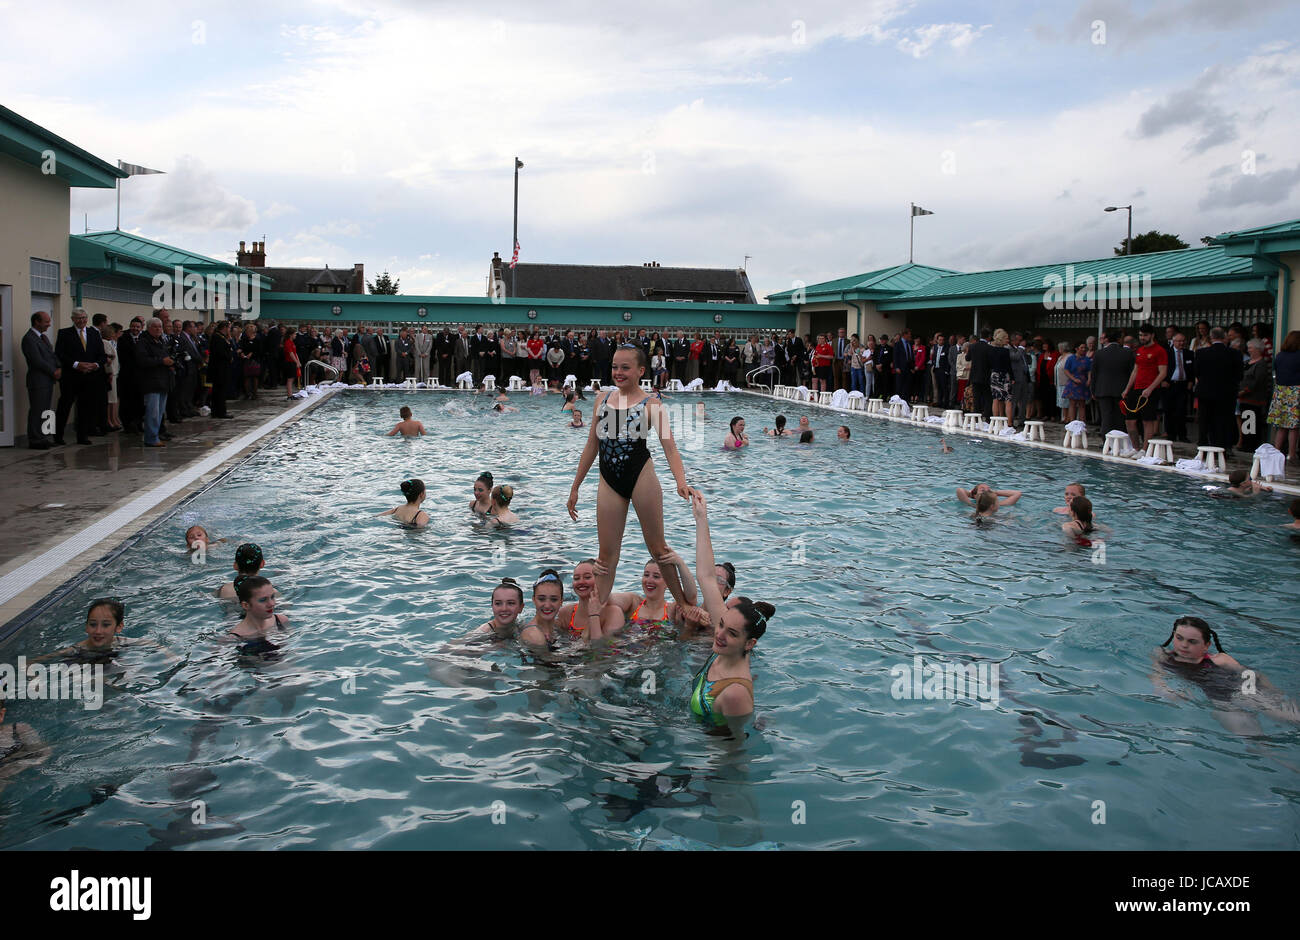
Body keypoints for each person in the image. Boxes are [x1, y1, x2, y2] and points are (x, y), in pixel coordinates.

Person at [568, 344, 694, 615]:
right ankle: (595, 614)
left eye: (625, 367)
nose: (618, 372)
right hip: (608, 479)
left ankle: (683, 604)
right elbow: (592, 445)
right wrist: (575, 487)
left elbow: (669, 447)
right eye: (615, 366)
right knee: (605, 556)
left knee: (658, 548)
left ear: (640, 371)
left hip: (640, 475)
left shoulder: (651, 404)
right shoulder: (602, 399)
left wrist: (680, 482)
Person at [688, 492, 772, 729]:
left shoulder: (735, 694)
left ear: (749, 644)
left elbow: (729, 755)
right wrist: (702, 518)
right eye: (721, 624)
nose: (720, 634)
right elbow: (705, 576)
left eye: (732, 633)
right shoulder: (723, 651)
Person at [1150, 616, 1300, 735]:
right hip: (1221, 704)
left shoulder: (1220, 659)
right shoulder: (1163, 657)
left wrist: (1271, 692)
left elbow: (1252, 674)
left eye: (1192, 641)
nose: (1183, 645)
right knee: (1253, 740)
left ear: (1206, 645)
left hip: (1242, 692)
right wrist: (1169, 692)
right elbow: (1157, 680)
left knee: (1287, 717)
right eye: (1179, 637)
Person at [609, 553, 699, 640]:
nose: (649, 580)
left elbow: (692, 597)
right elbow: (608, 599)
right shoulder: (633, 602)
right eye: (646, 575)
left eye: (656, 576)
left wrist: (680, 563)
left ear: (668, 583)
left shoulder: (672, 609)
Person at [54, 306, 106, 445]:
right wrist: (76, 364)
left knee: (85, 407)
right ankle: (58, 436)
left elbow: (101, 355)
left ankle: (82, 436)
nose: (81, 321)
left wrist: (95, 365)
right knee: (64, 406)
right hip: (71, 377)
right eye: (78, 318)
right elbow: (60, 354)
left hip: (89, 377)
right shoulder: (64, 333)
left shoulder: (94, 334)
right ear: (73, 319)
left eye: (84, 318)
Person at [1121, 325, 1168, 447]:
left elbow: (1163, 372)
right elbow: (1135, 371)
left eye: (1145, 335)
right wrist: (1127, 389)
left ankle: (1145, 450)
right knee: (1129, 421)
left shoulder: (1159, 350)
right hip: (1136, 388)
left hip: (1150, 390)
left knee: (1147, 421)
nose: (1142, 337)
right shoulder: (1139, 351)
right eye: (1141, 335)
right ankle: (1136, 448)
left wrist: (1150, 388)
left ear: (1152, 335)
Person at [21, 310, 60, 449]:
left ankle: (45, 436)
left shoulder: (43, 338)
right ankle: (35, 439)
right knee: (38, 410)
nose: (49, 324)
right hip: (38, 381)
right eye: (46, 322)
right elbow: (37, 361)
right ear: (37, 322)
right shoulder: (29, 339)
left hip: (48, 380)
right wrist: (53, 371)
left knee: (46, 410)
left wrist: (59, 367)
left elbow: (51, 355)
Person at [228, 576, 288, 657]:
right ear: (246, 605)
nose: (271, 604)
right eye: (263, 600)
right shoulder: (235, 637)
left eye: (272, 597)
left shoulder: (281, 620)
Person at [1090, 331, 1134, 435]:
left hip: (1103, 389)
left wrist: (1093, 390)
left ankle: (1106, 440)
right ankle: (1119, 441)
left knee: (1106, 417)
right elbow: (1132, 372)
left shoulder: (1099, 353)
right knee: (1120, 417)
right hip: (1121, 390)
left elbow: (1094, 374)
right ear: (1119, 340)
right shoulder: (1127, 353)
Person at [1267, 330, 1300, 461]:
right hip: (1295, 391)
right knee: (1293, 426)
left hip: (1280, 391)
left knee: (1281, 425)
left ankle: (1276, 451)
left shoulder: (1280, 356)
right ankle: (1292, 454)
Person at [518, 569, 565, 648]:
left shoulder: (556, 627)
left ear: (561, 601)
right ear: (534, 600)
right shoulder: (533, 635)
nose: (547, 605)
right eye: (541, 599)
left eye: (554, 599)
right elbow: (548, 659)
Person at [1062, 341, 1091, 423]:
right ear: (1076, 349)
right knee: (1072, 403)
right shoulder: (1071, 358)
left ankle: (1082, 422)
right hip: (1073, 382)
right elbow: (1066, 370)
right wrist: (1073, 379)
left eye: (1084, 348)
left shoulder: (1087, 359)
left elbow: (1089, 371)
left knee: (1082, 404)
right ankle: (1072, 422)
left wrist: (1089, 379)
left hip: (1083, 382)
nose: (1083, 349)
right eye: (1081, 347)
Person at [956, 484, 1022, 508]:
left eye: (989, 490)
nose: (986, 492)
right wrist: (972, 495)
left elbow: (1017, 493)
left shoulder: (999, 505)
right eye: (982, 490)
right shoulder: (971, 504)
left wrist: (994, 492)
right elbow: (959, 490)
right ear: (975, 496)